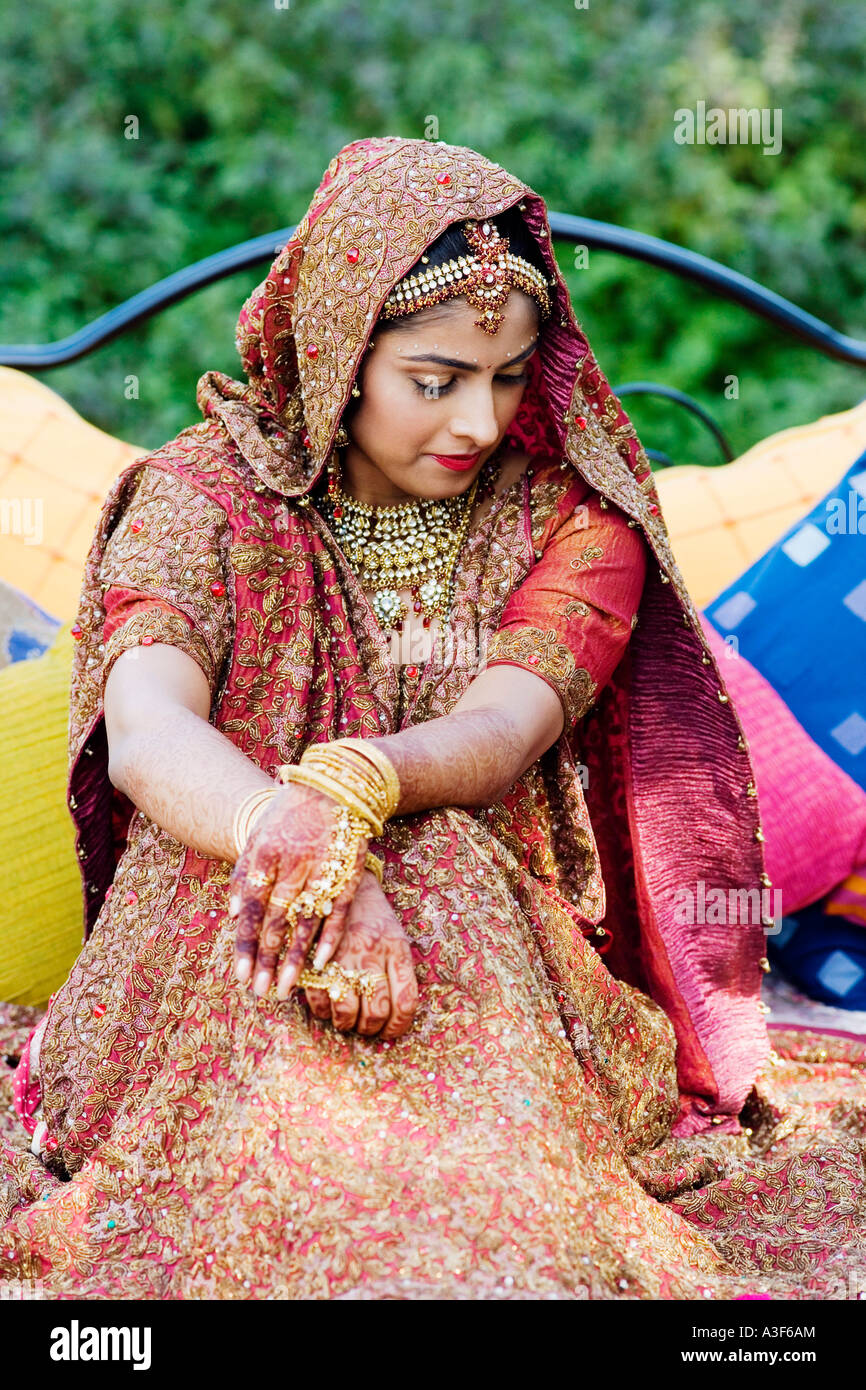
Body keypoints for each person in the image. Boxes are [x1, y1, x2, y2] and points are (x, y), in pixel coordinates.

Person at [1, 136, 863, 1300]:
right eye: (436, 377)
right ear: (340, 355)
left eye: (507, 377)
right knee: (266, 1040)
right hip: (225, 895)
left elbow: (504, 727)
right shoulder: (200, 493)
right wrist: (288, 834)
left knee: (444, 868)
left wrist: (352, 788)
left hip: (481, 933)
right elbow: (151, 728)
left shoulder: (568, 515)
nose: (477, 420)